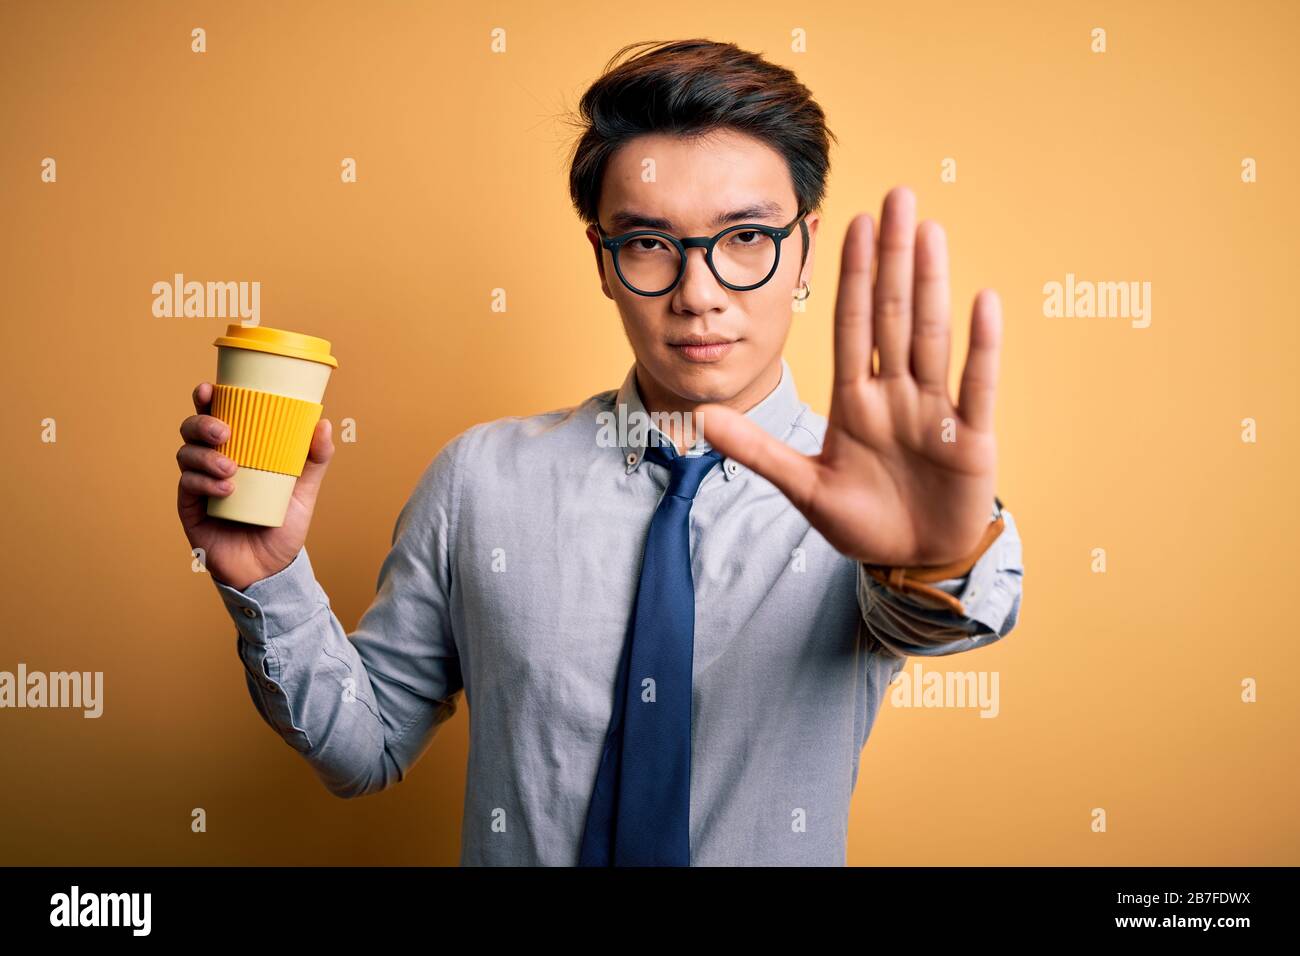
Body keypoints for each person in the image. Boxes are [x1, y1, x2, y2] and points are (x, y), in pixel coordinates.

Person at [175, 38, 1024, 866]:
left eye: (745, 240)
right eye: (650, 243)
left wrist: (935, 554)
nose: (699, 295)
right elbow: (367, 749)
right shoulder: (480, 481)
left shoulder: (868, 499)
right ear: (604, 262)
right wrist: (265, 577)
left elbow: (947, 616)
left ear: (803, 248)